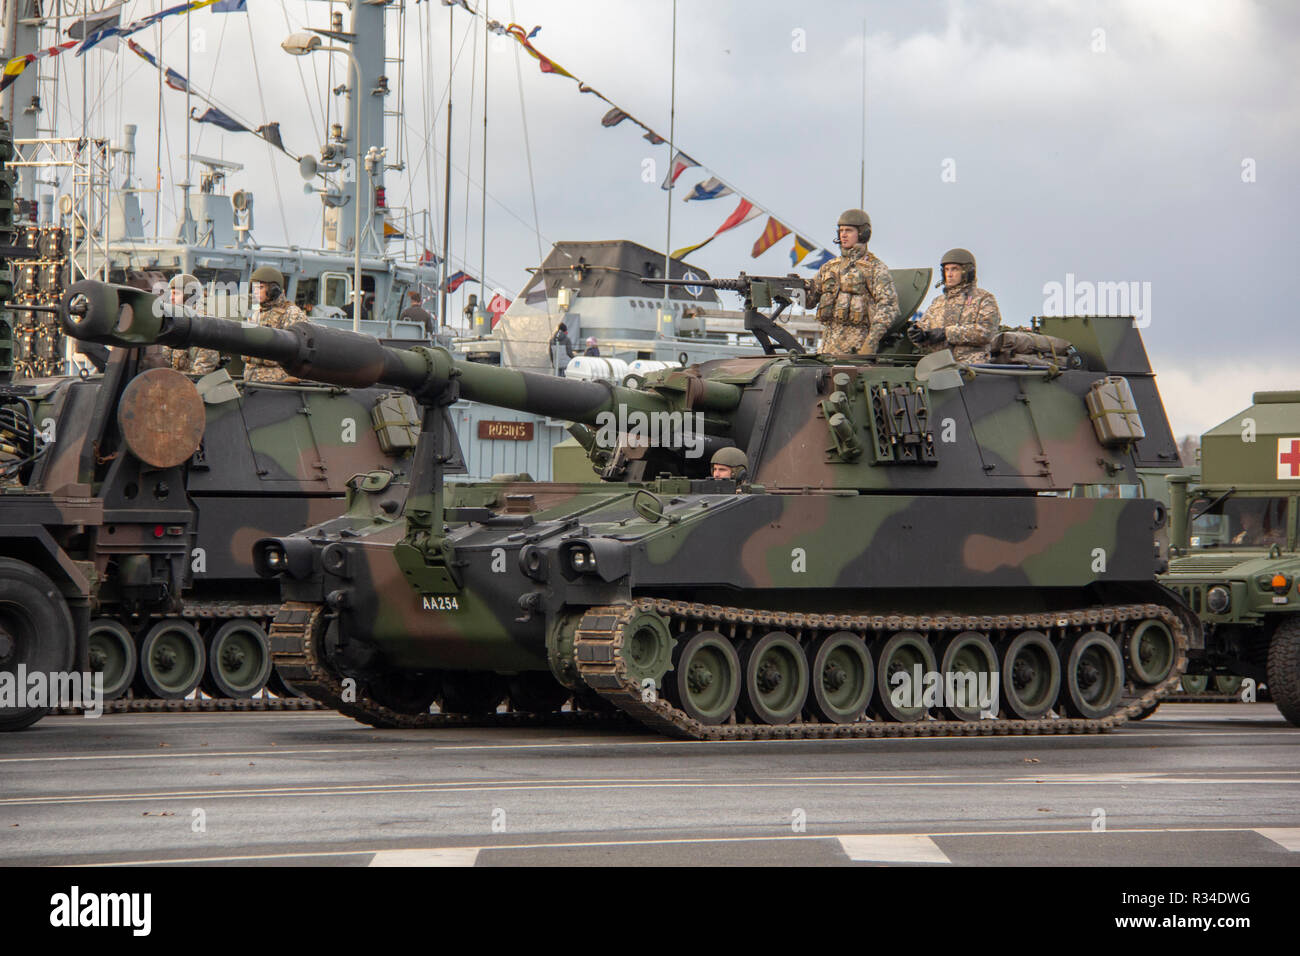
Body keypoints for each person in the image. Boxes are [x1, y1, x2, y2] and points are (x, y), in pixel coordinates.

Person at [806, 208, 899, 355]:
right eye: (841, 230)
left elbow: (889, 306)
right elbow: (810, 302)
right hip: (827, 349)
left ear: (863, 234)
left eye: (848, 230)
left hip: (857, 350)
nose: (843, 234)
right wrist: (797, 292)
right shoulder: (830, 267)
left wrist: (871, 341)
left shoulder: (874, 268)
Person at [907, 248, 1002, 364]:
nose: (949, 274)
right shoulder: (938, 302)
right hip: (940, 366)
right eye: (946, 270)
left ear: (967, 271)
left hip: (972, 367)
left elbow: (986, 332)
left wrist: (947, 333)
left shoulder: (983, 298)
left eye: (955, 269)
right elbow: (925, 331)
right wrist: (919, 336)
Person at [244, 265, 308, 384]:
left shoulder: (292, 314)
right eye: (254, 288)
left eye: (261, 287)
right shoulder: (255, 313)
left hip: (276, 385)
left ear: (274, 290)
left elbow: (297, 353)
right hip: (251, 381)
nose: (255, 292)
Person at [164, 273, 221, 375]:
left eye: (176, 294)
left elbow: (204, 365)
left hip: (192, 384)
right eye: (171, 294)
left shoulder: (204, 323)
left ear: (190, 296)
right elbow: (165, 357)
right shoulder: (175, 321)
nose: (171, 298)